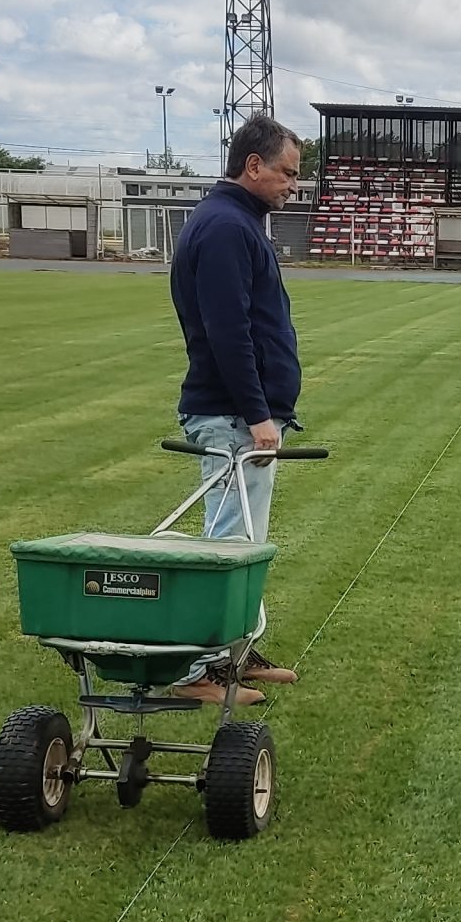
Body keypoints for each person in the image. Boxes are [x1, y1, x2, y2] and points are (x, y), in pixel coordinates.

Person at [169, 111, 306, 702]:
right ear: (253, 166)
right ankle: (193, 672)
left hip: (243, 413)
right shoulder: (226, 227)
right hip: (231, 416)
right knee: (225, 544)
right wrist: (257, 416)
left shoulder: (238, 222)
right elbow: (229, 332)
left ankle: (234, 653)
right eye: (287, 173)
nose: (293, 185)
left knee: (244, 543)